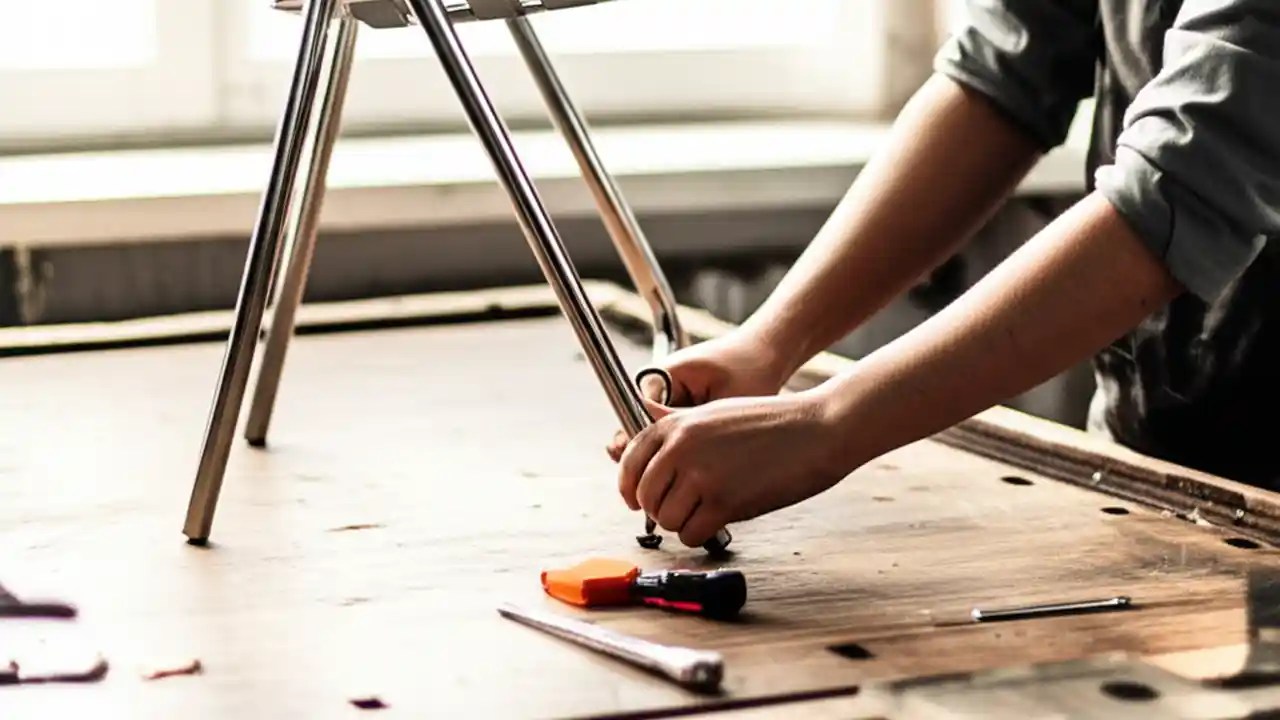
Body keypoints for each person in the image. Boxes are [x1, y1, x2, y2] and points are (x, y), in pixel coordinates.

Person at [606, 0, 1280, 548]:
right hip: (1158, 462)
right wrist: (769, 343)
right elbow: (1007, 69)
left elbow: (1183, 186)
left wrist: (824, 426)